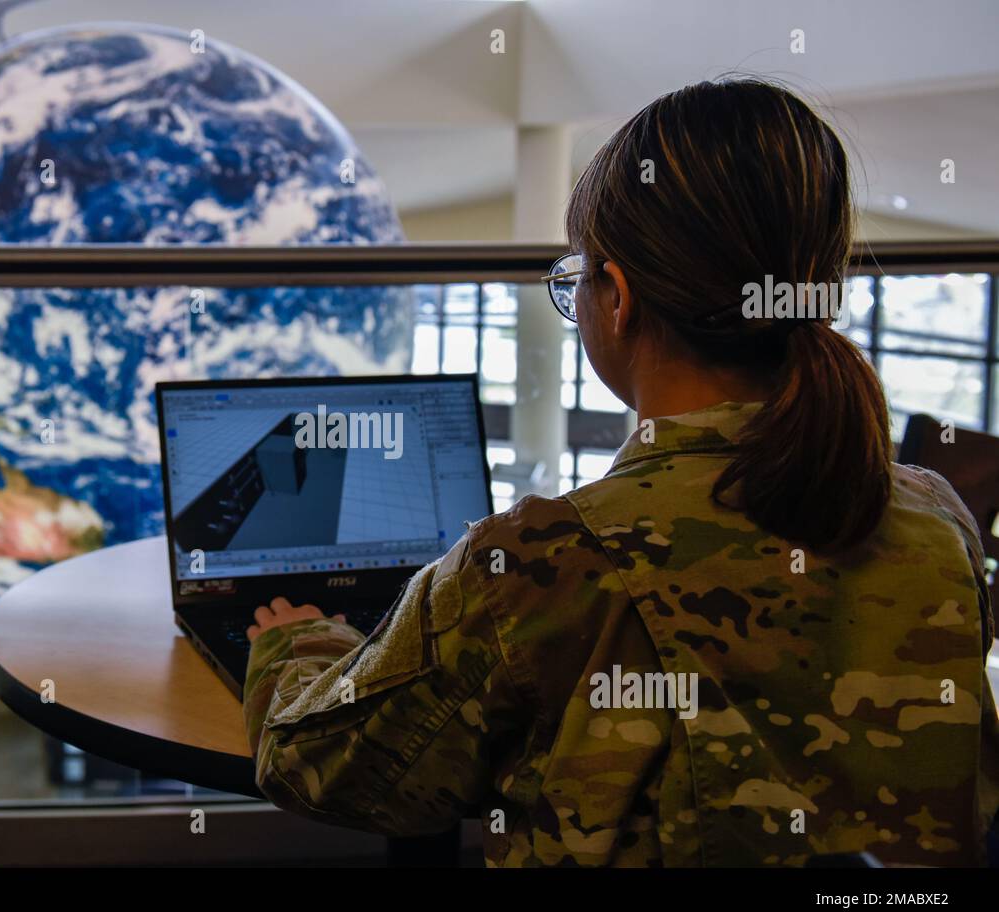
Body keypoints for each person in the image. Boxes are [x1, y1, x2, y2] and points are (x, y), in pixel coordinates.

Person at [242, 77, 999, 866]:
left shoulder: (543, 563)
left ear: (618, 299)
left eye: (579, 277)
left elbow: (318, 765)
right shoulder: (937, 519)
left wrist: (298, 640)